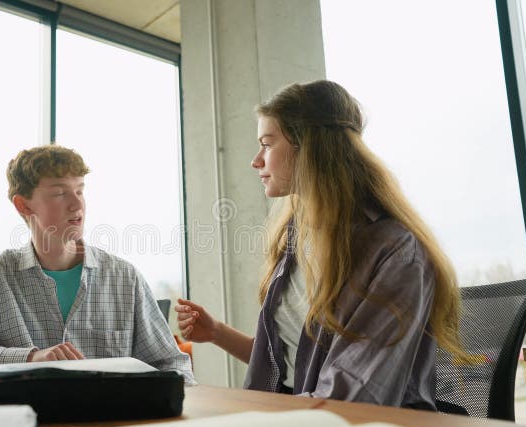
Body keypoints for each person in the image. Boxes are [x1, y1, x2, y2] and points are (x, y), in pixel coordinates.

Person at [175, 80, 466, 409]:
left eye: (267, 144)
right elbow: (295, 364)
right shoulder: (296, 236)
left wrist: (258, 420)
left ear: (308, 148)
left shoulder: (397, 255)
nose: (256, 160)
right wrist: (217, 333)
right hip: (302, 418)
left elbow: (354, 395)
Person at [0, 144, 193, 383]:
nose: (77, 205)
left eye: (80, 190)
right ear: (23, 205)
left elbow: (174, 368)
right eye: (61, 193)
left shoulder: (124, 278)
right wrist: (29, 358)